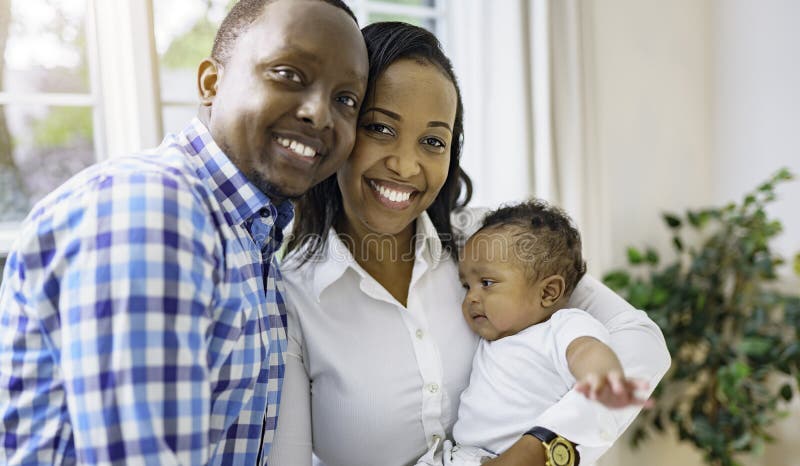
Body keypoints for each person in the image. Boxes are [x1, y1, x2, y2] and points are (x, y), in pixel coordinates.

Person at [267, 21, 670, 466]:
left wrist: (542, 451)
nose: (405, 164)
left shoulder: (489, 244)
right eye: (380, 128)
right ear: (340, 127)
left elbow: (642, 345)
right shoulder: (291, 297)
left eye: (432, 141)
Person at [0, 0, 368, 464]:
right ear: (210, 83)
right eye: (288, 74)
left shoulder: (252, 237)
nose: (320, 113)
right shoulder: (153, 208)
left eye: (346, 100)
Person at [414, 200, 650, 466]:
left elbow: (587, 351)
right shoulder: (494, 336)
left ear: (548, 292)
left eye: (487, 283)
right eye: (467, 285)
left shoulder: (562, 326)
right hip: (461, 456)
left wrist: (604, 380)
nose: (471, 297)